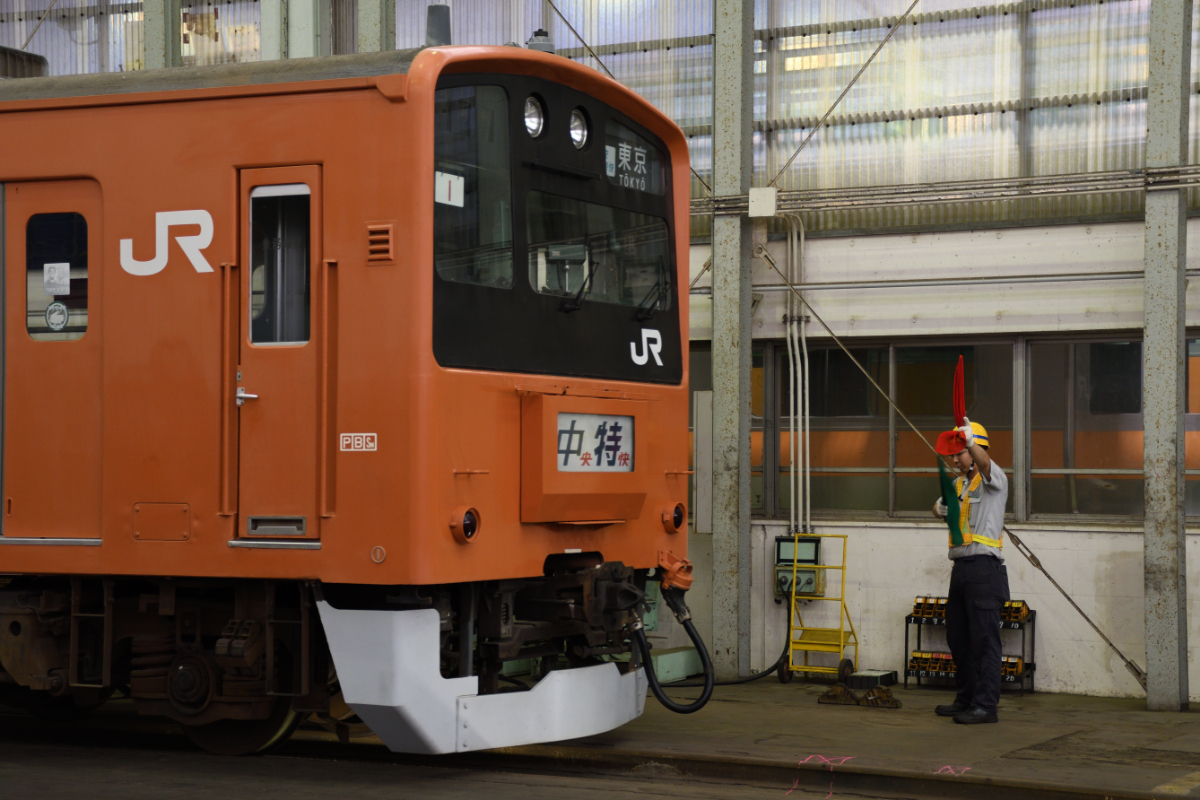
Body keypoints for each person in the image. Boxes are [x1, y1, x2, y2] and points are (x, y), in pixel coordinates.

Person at [931, 417, 1010, 725]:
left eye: (959, 453)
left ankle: (986, 706)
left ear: (976, 449)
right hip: (961, 569)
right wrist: (938, 510)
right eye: (953, 455)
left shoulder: (994, 479)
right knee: (959, 638)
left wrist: (972, 442)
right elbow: (940, 507)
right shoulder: (958, 485)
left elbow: (985, 463)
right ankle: (965, 698)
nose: (954, 460)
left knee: (985, 641)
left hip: (984, 570)